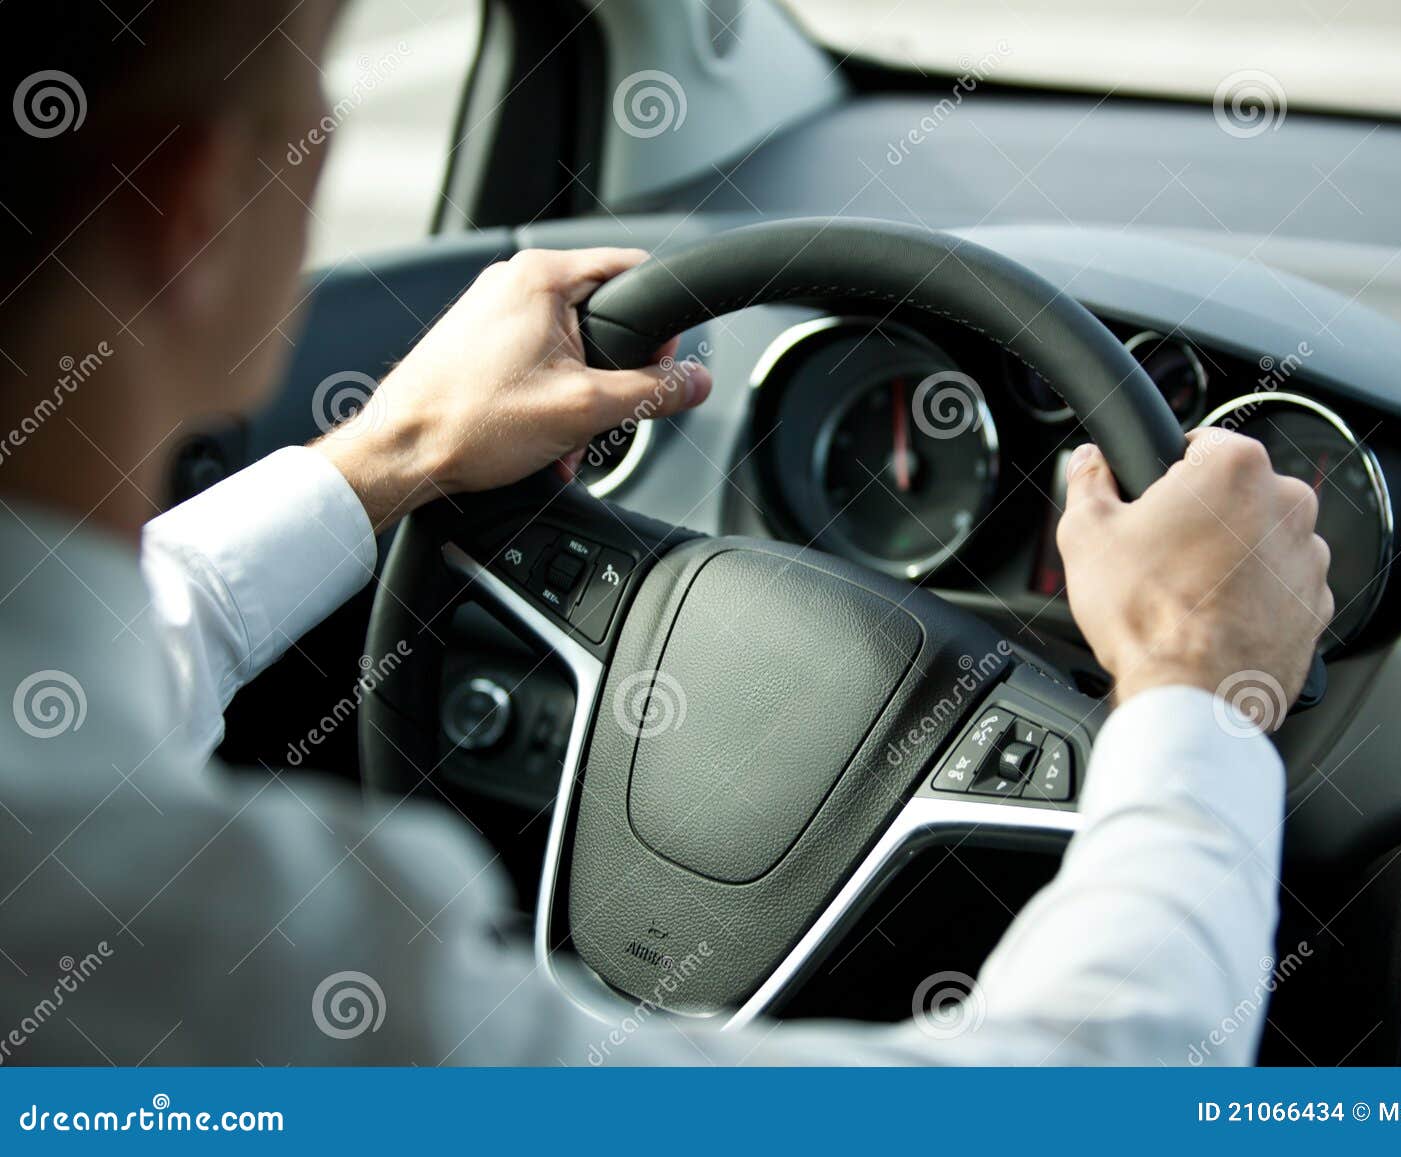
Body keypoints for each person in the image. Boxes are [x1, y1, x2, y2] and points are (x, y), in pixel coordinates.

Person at [0, 3, 1331, 1065]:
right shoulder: (238, 968)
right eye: (309, 100)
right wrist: (1194, 684)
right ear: (198, 208)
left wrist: (389, 455)